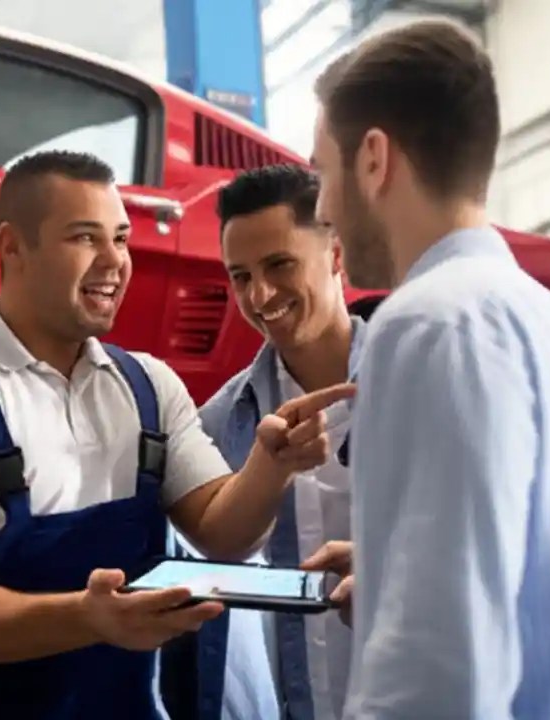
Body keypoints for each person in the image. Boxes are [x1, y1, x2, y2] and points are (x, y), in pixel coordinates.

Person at [0, 149, 355, 720]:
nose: (114, 262)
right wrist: (87, 618)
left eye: (120, 239)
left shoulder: (147, 388)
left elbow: (223, 534)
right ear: (13, 246)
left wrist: (270, 468)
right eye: (84, 238)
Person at [304, 18, 550, 719]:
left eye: (321, 171)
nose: (321, 207)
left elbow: (438, 675)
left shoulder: (428, 324)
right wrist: (392, 576)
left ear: (375, 158)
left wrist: (410, 613)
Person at [162, 164, 361, 720]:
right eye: (241, 276)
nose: (260, 294)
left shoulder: (415, 392)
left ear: (336, 254)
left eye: (279, 265)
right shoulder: (218, 425)